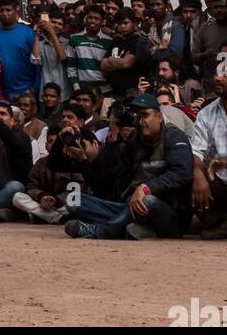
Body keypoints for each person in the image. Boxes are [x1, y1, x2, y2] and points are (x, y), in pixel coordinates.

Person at [64, 93, 193, 240]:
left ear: (159, 117)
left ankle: (100, 230)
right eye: (137, 116)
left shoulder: (173, 136)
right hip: (129, 207)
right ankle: (136, 228)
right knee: (73, 200)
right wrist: (87, 159)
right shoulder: (134, 140)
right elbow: (107, 183)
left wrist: (146, 188)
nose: (141, 121)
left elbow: (182, 172)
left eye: (145, 115)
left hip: (167, 212)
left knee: (147, 200)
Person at [189, 67, 227, 240]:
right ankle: (220, 224)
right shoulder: (206, 113)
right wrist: (197, 172)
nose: (217, 78)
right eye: (216, 73)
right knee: (186, 170)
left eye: (225, 74)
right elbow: (196, 151)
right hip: (220, 185)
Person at [0, 0, 38, 100]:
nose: (5, 13)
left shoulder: (28, 33)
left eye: (8, 10)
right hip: (1, 92)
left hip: (25, 90)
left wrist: (34, 87)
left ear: (16, 10)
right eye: (1, 10)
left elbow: (37, 62)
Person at [100, 8, 152, 100]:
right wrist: (119, 62)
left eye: (126, 23)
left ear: (134, 23)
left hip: (132, 92)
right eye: (120, 23)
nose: (122, 26)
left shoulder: (137, 40)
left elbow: (126, 63)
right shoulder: (116, 40)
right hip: (114, 91)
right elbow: (103, 65)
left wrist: (111, 60)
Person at [65, 4, 112, 95]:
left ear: (103, 22)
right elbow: (71, 66)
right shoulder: (74, 39)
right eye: (90, 18)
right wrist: (76, 88)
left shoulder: (109, 41)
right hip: (83, 90)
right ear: (85, 19)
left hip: (105, 90)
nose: (93, 21)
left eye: (96, 19)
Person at [194, 0, 227, 93]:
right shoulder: (205, 28)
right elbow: (194, 56)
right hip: (212, 86)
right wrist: (205, 55)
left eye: (223, 7)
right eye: (216, 7)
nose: (219, 10)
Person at [30, 9, 69, 95]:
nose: (56, 26)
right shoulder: (41, 42)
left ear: (63, 28)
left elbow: (63, 57)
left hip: (63, 91)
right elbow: (35, 60)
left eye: (60, 24)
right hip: (45, 90)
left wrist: (51, 32)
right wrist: (37, 36)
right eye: (53, 22)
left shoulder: (67, 42)